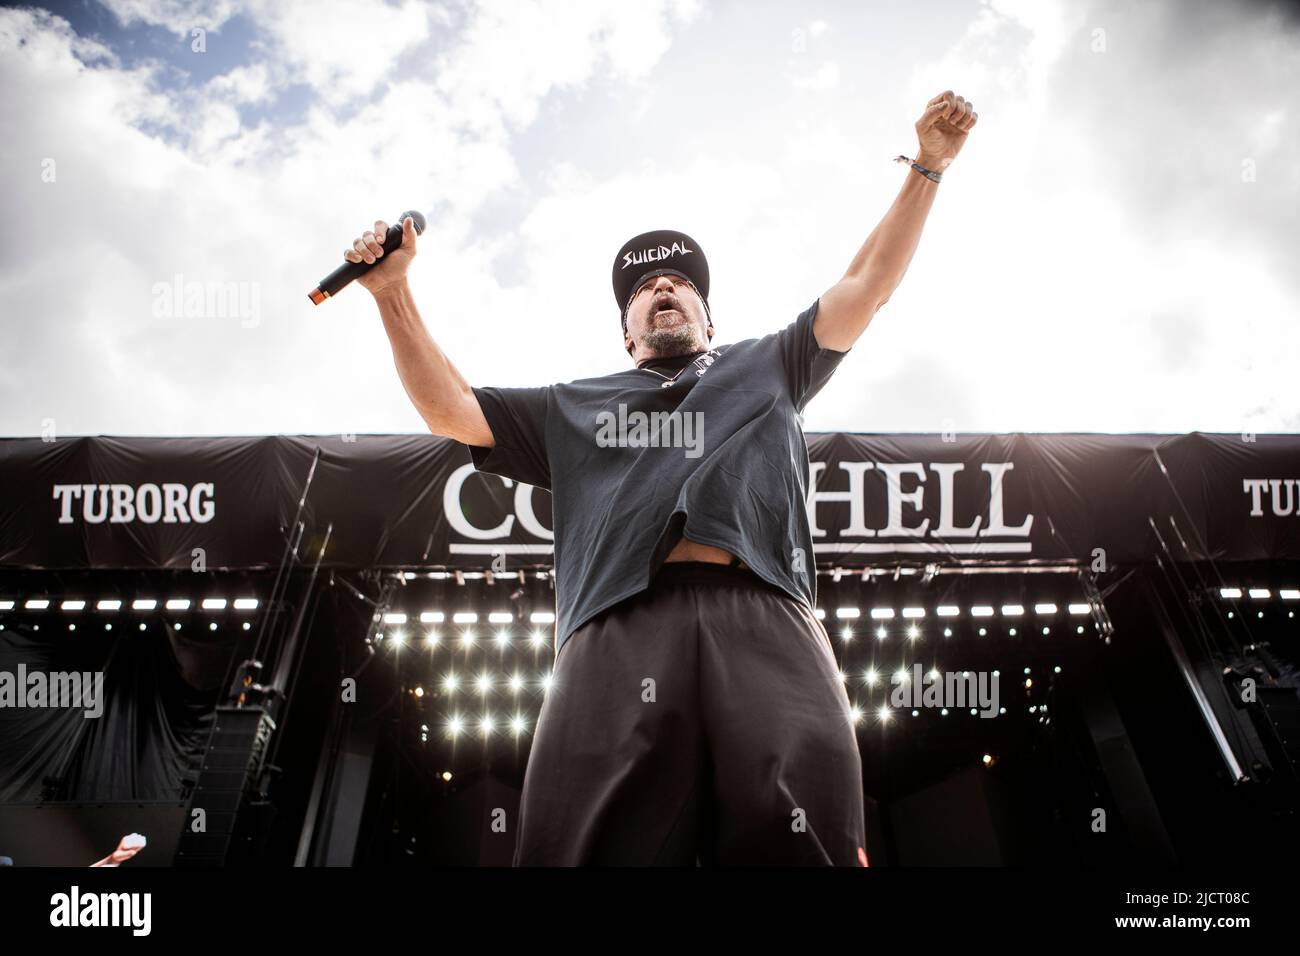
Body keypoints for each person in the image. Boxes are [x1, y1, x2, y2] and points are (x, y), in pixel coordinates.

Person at [345, 91, 978, 864]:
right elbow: (449, 408)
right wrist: (392, 293)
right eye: (645, 288)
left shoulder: (771, 363)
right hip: (615, 625)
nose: (664, 287)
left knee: (806, 838)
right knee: (587, 843)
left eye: (680, 282)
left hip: (767, 614)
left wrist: (927, 168)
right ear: (626, 330)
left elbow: (867, 285)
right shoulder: (570, 406)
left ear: (708, 317)